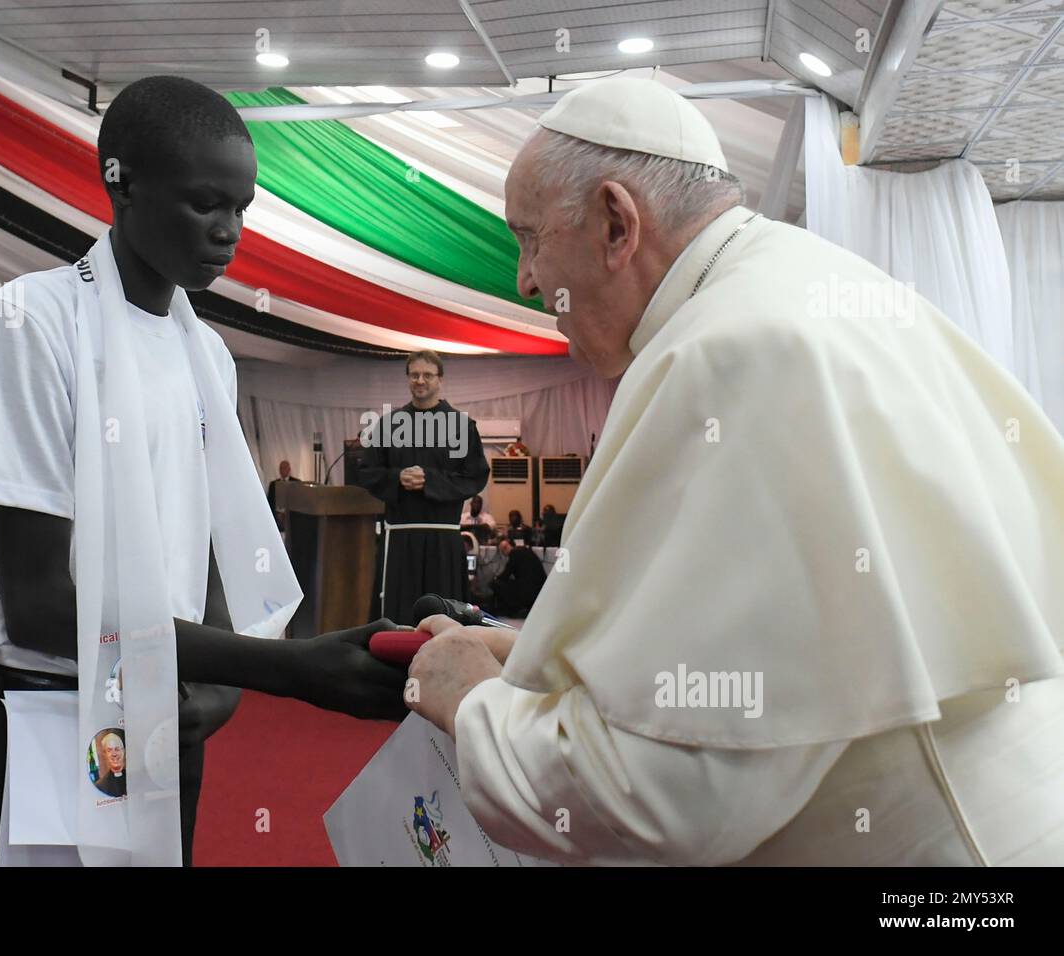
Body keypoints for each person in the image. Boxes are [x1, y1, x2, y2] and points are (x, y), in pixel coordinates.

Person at [406, 76, 1064, 866]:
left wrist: (473, 705)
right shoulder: (804, 283)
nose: (523, 279)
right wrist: (545, 659)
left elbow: (671, 791)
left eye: (530, 237)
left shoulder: (725, 353)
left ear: (617, 222)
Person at [0, 75, 407, 869]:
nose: (229, 232)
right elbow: (42, 608)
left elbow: (206, 549)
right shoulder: (36, 319)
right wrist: (287, 670)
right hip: (41, 718)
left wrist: (220, 687)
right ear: (122, 184)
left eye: (241, 209)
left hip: (160, 722)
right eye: (203, 204)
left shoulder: (208, 354)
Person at [356, 350, 489, 625]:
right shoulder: (389, 425)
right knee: (398, 621)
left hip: (444, 540)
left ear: (440, 380)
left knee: (443, 618)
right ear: (407, 379)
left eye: (427, 375)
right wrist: (397, 478)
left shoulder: (461, 426)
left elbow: (474, 476)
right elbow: (368, 472)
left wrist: (431, 480)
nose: (420, 380)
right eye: (414, 375)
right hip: (400, 540)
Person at [487, 538, 547, 618]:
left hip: (527, 591)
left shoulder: (514, 554)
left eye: (503, 550)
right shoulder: (526, 550)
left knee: (495, 584)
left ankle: (507, 611)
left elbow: (505, 575)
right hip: (539, 589)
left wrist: (494, 579)